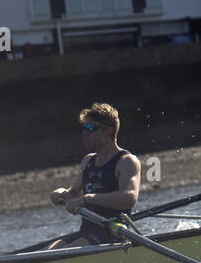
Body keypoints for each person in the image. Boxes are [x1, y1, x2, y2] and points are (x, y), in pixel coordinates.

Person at [44, 103, 141, 248]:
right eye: (83, 128)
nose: (85, 133)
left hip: (113, 233)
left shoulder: (126, 161)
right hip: (87, 232)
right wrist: (61, 193)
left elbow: (129, 198)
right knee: (49, 250)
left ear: (107, 131)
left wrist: (88, 199)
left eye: (90, 128)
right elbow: (74, 193)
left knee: (61, 253)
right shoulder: (88, 161)